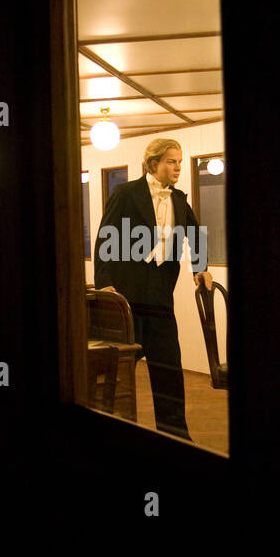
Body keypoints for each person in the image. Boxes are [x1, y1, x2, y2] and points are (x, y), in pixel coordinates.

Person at [95, 138, 212, 441]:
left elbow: (195, 236)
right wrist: (105, 285)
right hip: (126, 298)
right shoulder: (125, 193)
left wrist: (200, 268)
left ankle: (176, 438)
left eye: (180, 162)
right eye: (172, 161)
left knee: (169, 372)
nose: (178, 168)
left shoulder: (178, 199)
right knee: (118, 374)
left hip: (160, 300)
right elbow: (105, 239)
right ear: (153, 163)